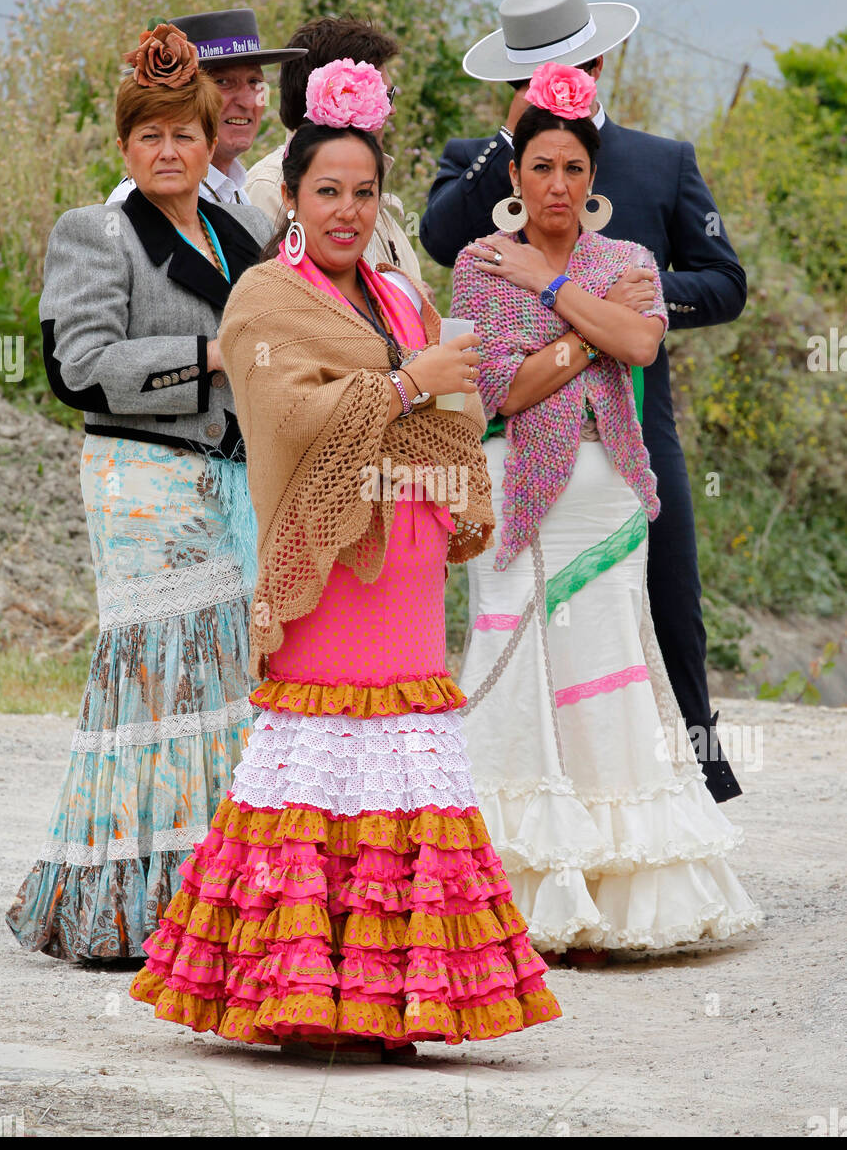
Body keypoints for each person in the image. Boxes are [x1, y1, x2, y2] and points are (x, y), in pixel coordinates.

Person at [130, 58, 561, 1054]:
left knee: (403, 772)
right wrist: (407, 387)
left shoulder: (401, 293)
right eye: (326, 190)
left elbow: (453, 401)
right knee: (325, 768)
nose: (346, 210)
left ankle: (397, 1001)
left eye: (363, 192)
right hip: (328, 568)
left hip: (405, 567)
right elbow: (285, 413)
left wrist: (446, 439)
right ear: (290, 195)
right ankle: (305, 1000)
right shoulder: (263, 300)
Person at [451, 61, 761, 960]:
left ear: (594, 182)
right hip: (521, 506)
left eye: (574, 170)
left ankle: (617, 886)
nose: (557, 184)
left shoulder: (627, 258)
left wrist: (550, 300)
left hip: (612, 504)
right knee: (513, 669)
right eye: (541, 166)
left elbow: (640, 339)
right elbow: (497, 391)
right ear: (513, 175)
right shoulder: (477, 264)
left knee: (606, 665)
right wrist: (589, 338)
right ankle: (514, 886)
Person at [421, 0, 745, 804]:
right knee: (520, 608)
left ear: (599, 59)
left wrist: (639, 300)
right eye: (523, 72)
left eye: (565, 62)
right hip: (514, 424)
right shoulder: (481, 162)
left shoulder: (660, 161)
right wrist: (509, 134)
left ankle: (694, 773)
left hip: (632, 415)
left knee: (666, 588)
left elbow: (724, 282)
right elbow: (443, 239)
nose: (557, 180)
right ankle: (535, 776)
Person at [6, 22, 273, 961]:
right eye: (150, 135)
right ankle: (124, 907)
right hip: (141, 481)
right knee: (161, 674)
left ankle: (208, 896)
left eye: (185, 135)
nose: (169, 150)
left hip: (232, 483)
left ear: (210, 144)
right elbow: (75, 369)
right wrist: (206, 359)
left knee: (222, 676)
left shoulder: (246, 231)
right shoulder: (96, 231)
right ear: (126, 145)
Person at [245, 16, 421, 278]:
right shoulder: (268, 187)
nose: (391, 110)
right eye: (383, 96)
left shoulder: (372, 183)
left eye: (362, 193)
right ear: (340, 97)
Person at [107, 7, 305, 207]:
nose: (246, 102)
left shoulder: (235, 191)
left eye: (254, 82)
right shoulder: (139, 202)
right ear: (183, 96)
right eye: (223, 82)